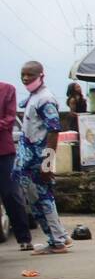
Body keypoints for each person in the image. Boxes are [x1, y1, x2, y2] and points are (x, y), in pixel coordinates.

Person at [14, 61, 70, 255]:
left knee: (42, 200)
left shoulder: (45, 99)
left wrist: (47, 163)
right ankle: (60, 236)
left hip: (38, 161)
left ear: (41, 76)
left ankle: (57, 241)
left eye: (30, 74)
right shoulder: (34, 97)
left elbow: (54, 131)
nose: (25, 78)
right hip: (30, 162)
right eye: (23, 74)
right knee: (41, 199)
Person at [1, 77, 34, 250]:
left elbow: (9, 118)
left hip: (3, 152)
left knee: (11, 194)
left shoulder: (7, 89)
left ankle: (24, 238)